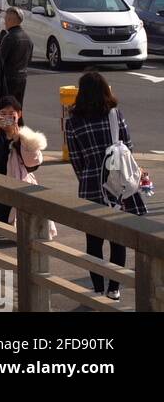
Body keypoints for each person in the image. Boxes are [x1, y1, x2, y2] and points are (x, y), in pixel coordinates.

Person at [65, 70, 147, 301]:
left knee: (94, 240)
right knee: (117, 239)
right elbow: (127, 146)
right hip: (118, 184)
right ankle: (114, 289)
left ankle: (98, 288)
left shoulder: (73, 122)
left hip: (91, 183)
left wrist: (86, 177)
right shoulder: (114, 114)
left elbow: (76, 158)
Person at [0, 96, 48, 247]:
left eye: (11, 113)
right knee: (2, 195)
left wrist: (19, 140)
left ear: (19, 114)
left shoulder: (26, 137)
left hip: (17, 183)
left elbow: (32, 164)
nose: (7, 117)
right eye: (3, 113)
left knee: (8, 195)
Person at [0, 7, 33, 107]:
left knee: (6, 108)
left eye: (6, 19)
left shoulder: (9, 37)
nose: (4, 22)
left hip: (9, 78)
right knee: (18, 107)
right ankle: (19, 123)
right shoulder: (27, 37)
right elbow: (29, 59)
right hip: (22, 77)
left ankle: (11, 123)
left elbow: (1, 59)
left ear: (10, 20)